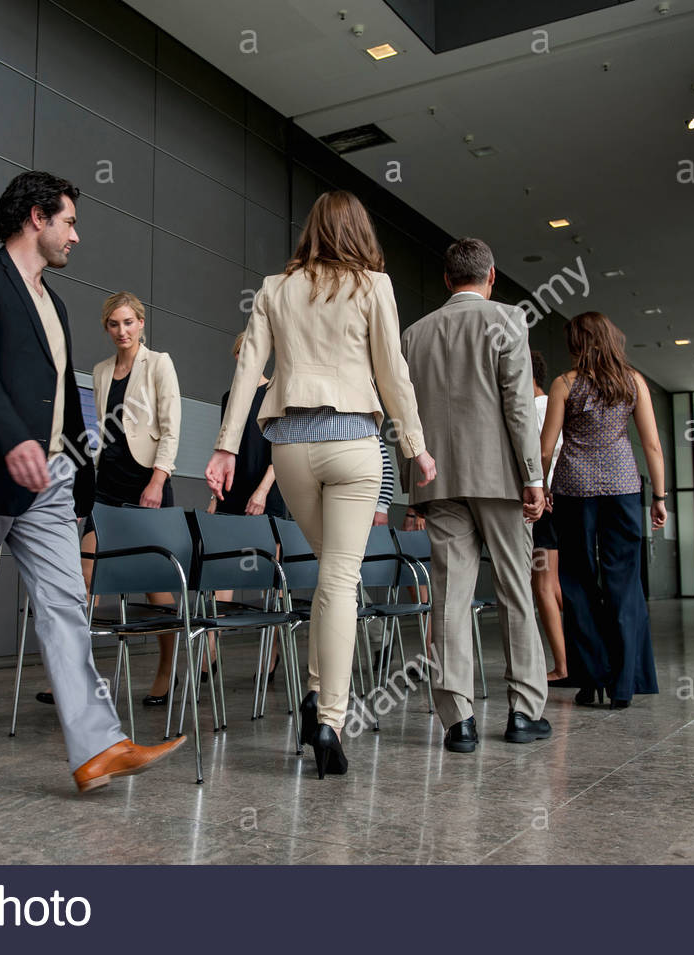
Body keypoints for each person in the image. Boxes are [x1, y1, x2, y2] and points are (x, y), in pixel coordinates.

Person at [0, 170, 183, 794]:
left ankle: (96, 748)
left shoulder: (56, 303)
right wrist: (12, 438)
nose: (76, 236)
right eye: (70, 222)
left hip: (50, 483)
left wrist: (78, 478)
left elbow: (63, 399)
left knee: (66, 611)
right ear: (36, 217)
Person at [206, 190, 436, 780]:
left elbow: (248, 370)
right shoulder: (374, 286)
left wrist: (226, 446)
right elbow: (393, 371)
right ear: (359, 230)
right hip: (355, 445)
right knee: (340, 578)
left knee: (330, 577)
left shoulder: (274, 288)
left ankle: (313, 695)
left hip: (291, 450)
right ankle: (330, 717)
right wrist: (415, 445)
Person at [400, 237, 550, 755]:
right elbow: (518, 405)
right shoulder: (509, 320)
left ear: (446, 280)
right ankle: (523, 713)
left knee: (449, 598)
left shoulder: (414, 335)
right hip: (501, 479)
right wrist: (534, 476)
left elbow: (405, 415)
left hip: (437, 480)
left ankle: (457, 721)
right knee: (515, 591)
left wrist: (412, 489)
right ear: (492, 276)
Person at [540, 311, 666, 709]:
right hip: (624, 491)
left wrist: (538, 489)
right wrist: (659, 497)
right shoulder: (633, 382)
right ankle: (624, 685)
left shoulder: (565, 383)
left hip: (574, 490)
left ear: (577, 343)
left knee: (576, 582)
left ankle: (591, 678)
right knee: (624, 583)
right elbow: (652, 446)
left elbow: (546, 447)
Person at [86, 291, 182, 705]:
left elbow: (171, 427)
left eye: (128, 322)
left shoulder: (159, 364)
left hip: (146, 481)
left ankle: (167, 668)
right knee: (84, 581)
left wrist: (158, 480)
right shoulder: (101, 371)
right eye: (114, 324)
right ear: (106, 327)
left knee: (153, 585)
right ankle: (74, 677)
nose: (121, 331)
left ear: (141, 323)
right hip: (105, 483)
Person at [208, 331, 288, 682]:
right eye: (239, 352)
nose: (243, 358)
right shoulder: (230, 398)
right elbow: (225, 448)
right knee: (221, 573)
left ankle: (271, 655)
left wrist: (262, 491)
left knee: (270, 579)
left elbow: (281, 451)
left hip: (267, 492)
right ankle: (209, 651)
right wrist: (214, 496)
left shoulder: (278, 392)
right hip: (232, 491)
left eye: (250, 352)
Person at [529, 349, 568, 683]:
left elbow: (544, 454)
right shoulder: (552, 405)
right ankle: (571, 656)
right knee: (552, 584)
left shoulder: (534, 409)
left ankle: (562, 666)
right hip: (557, 500)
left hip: (543, 504)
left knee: (542, 586)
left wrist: (541, 489)